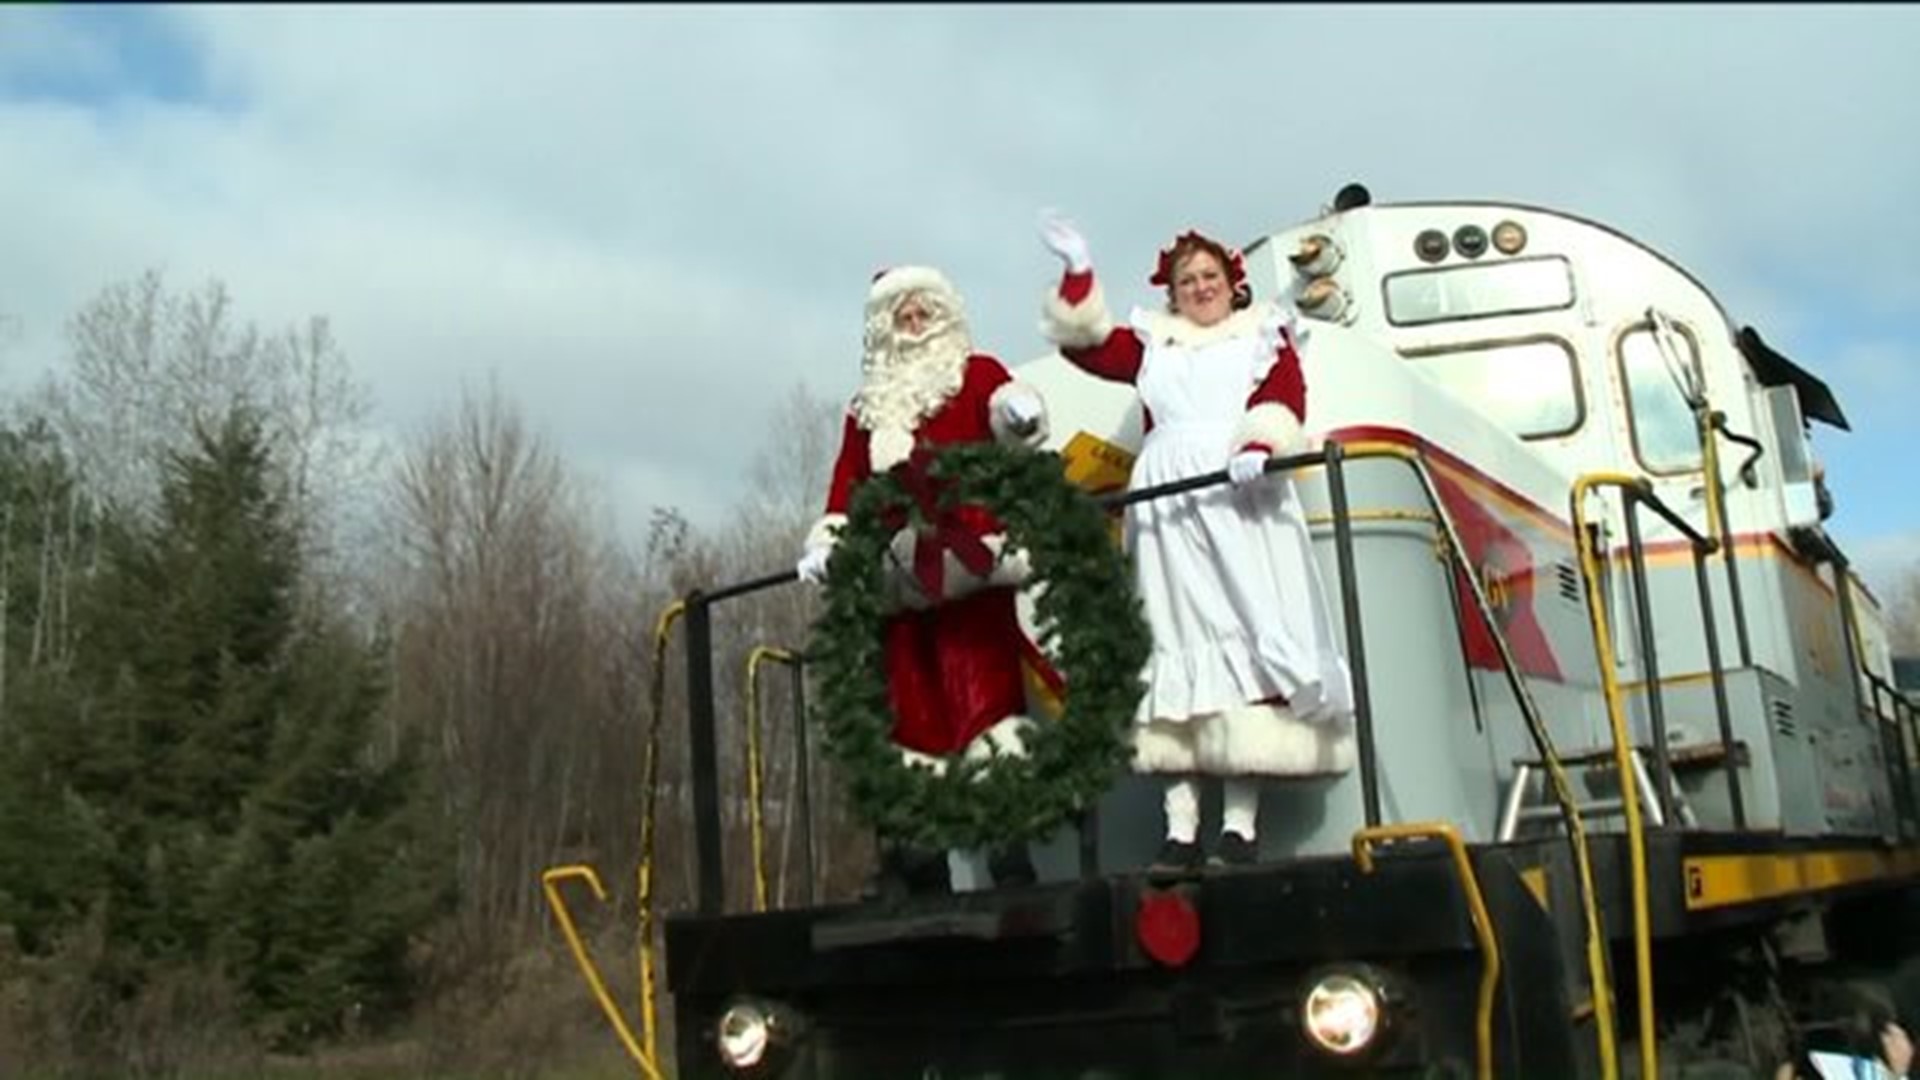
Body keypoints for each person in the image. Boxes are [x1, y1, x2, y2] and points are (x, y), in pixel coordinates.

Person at [1035, 211, 1355, 873]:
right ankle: (1179, 830)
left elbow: (1284, 393)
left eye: (1209, 275)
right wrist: (1078, 271)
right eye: (1187, 279)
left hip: (1240, 494)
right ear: (1171, 292)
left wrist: (1262, 441)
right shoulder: (1156, 343)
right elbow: (1087, 348)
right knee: (1174, 645)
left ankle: (1239, 829)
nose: (1199, 287)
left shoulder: (1264, 332)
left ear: (1232, 281)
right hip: (1166, 511)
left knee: (1249, 640)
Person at [797, 264, 1051, 894]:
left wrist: (1021, 414)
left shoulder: (976, 376)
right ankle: (918, 860)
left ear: (944, 317)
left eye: (923, 314)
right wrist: (828, 537)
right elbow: (846, 484)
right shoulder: (867, 410)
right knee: (909, 714)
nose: (913, 326)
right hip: (898, 576)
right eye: (901, 317)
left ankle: (1008, 854)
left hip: (967, 565)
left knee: (986, 705)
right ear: (886, 329)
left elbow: (1011, 418)